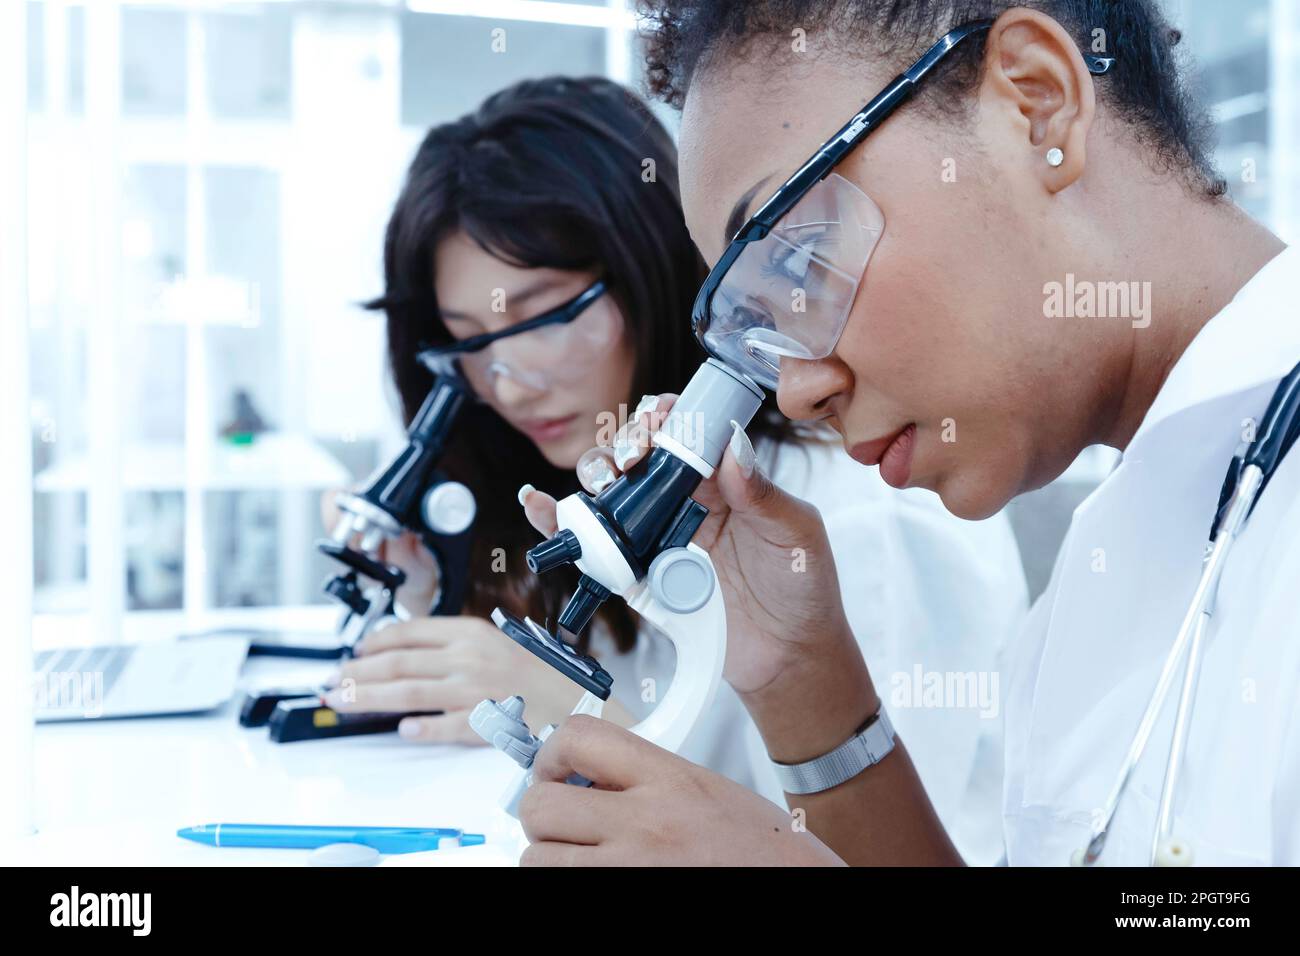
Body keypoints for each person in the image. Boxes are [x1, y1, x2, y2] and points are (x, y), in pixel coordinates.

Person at [514, 0, 1300, 866]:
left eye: (800, 261)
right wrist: (802, 677)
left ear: (1037, 104)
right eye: (755, 320)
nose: (797, 389)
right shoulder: (1114, 561)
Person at [329, 75, 1027, 862]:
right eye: (469, 341)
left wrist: (578, 717)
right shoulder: (626, 487)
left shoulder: (867, 510)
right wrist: (432, 590)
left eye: (545, 316)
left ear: (651, 269)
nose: (509, 379)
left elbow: (873, 852)